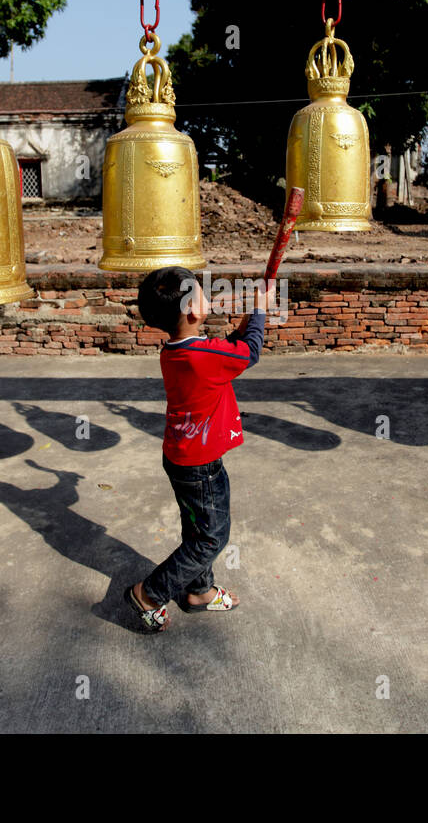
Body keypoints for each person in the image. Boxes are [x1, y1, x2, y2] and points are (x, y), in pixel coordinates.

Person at [125, 268, 272, 632]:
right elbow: (248, 352)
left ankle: (198, 591)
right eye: (203, 293)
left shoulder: (177, 351)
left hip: (181, 457)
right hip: (201, 465)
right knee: (211, 537)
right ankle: (150, 593)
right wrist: (260, 311)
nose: (209, 296)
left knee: (197, 528)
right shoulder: (203, 355)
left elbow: (226, 351)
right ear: (192, 310)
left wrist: (244, 323)